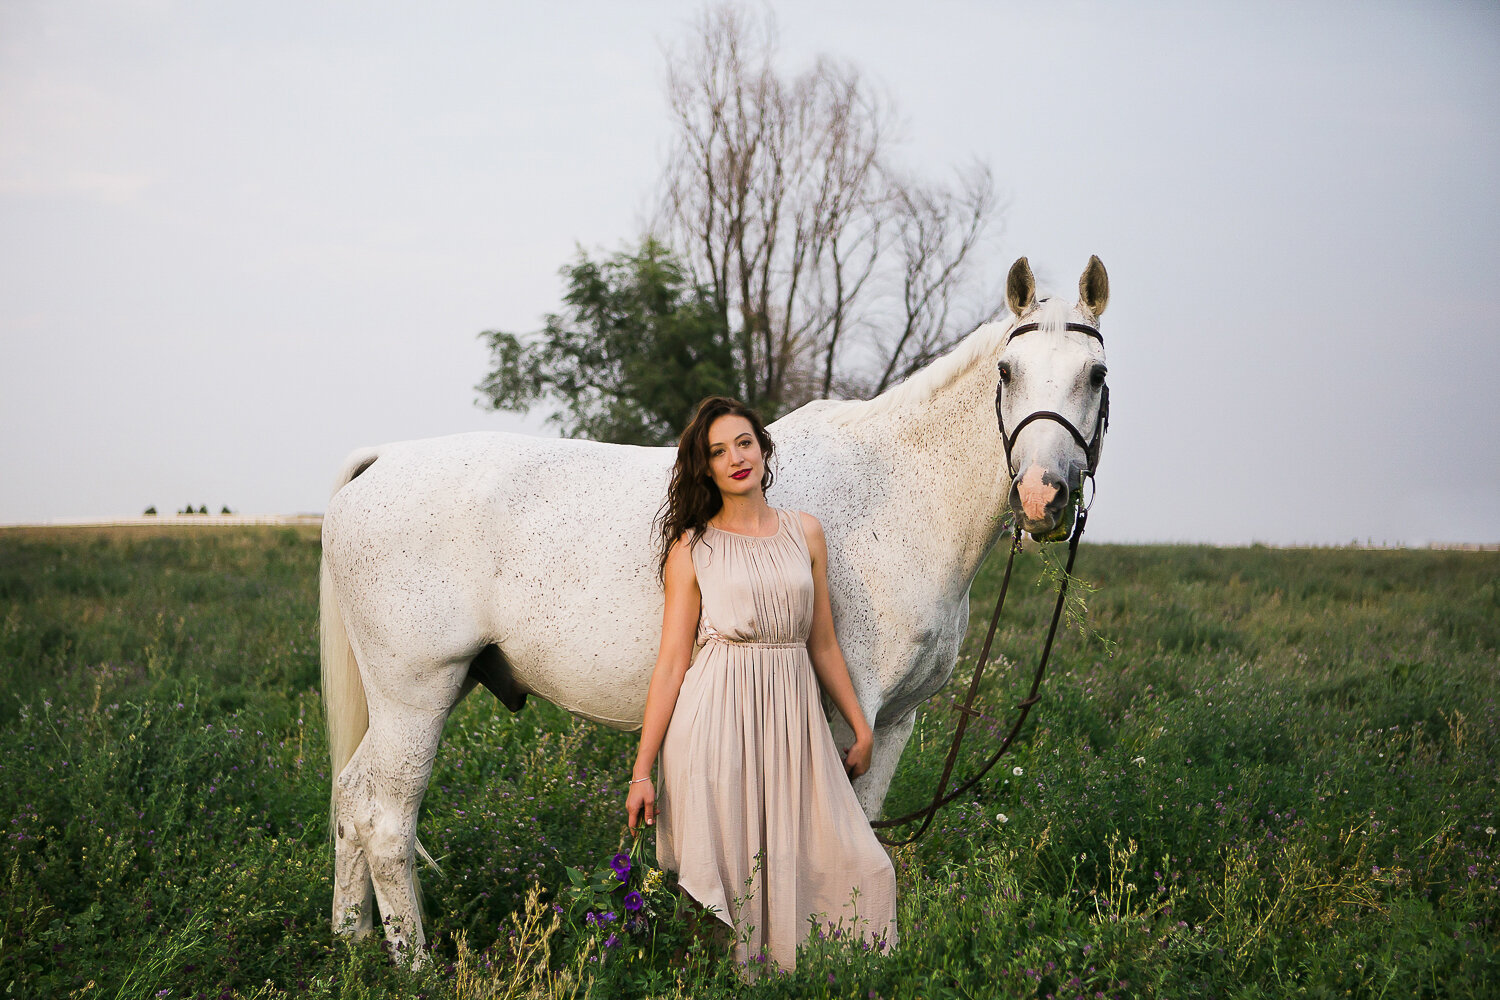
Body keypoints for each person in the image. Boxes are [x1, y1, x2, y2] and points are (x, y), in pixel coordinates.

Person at [625, 395, 897, 975]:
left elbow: (822, 642)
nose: (736, 458)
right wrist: (643, 770)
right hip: (716, 726)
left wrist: (860, 725)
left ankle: (814, 975)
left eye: (744, 442)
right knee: (732, 877)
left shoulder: (807, 532)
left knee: (861, 865)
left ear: (764, 448)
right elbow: (672, 661)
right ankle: (735, 985)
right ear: (706, 468)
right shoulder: (692, 548)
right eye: (718, 452)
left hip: (793, 722)